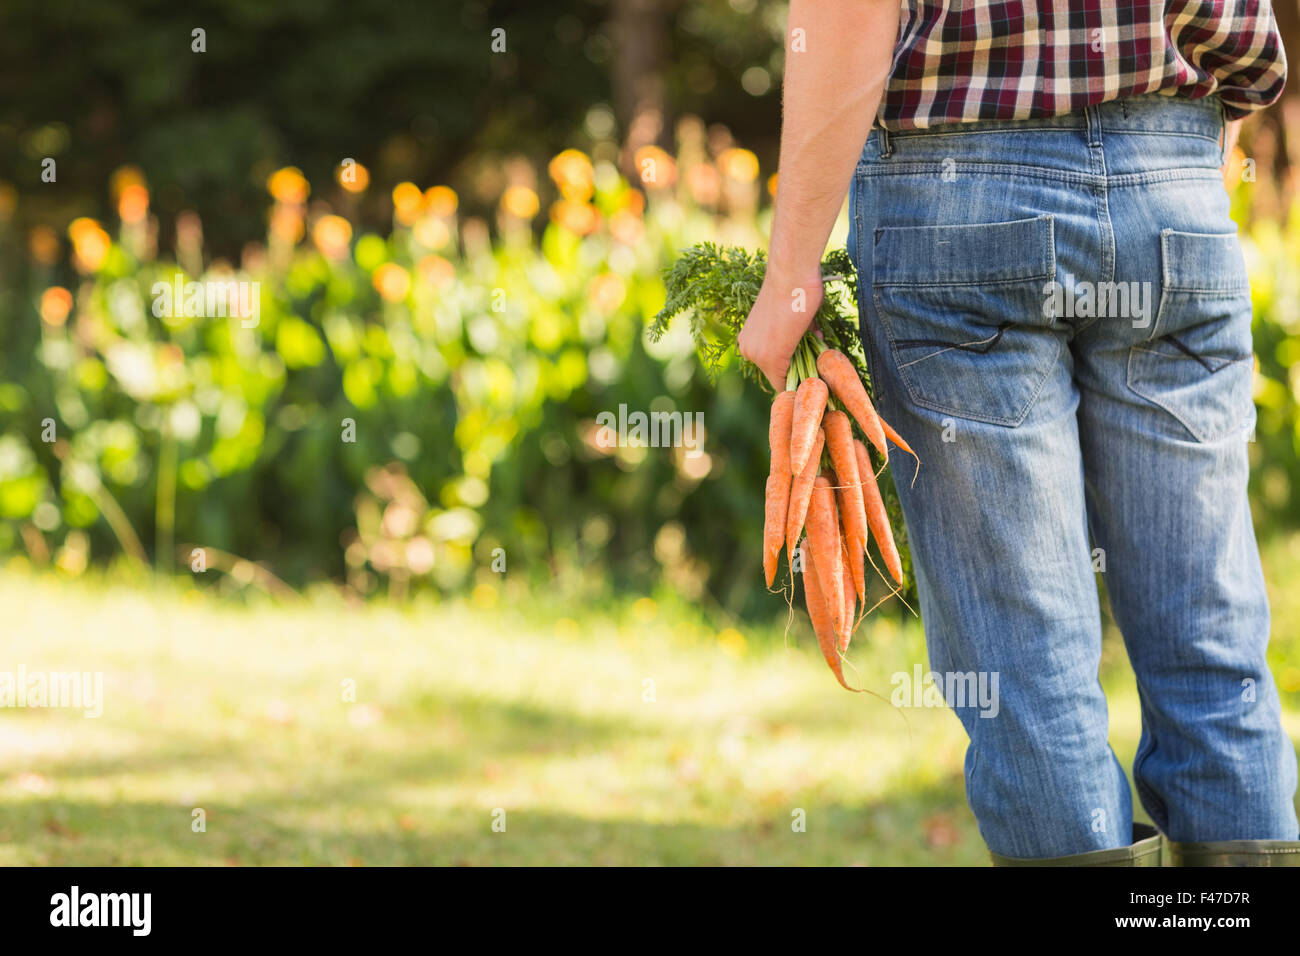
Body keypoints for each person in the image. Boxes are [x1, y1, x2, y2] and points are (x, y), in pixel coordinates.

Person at [739, 0, 1298, 866]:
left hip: (960, 195)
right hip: (1175, 182)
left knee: (1027, 683)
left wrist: (790, 271)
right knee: (1211, 654)